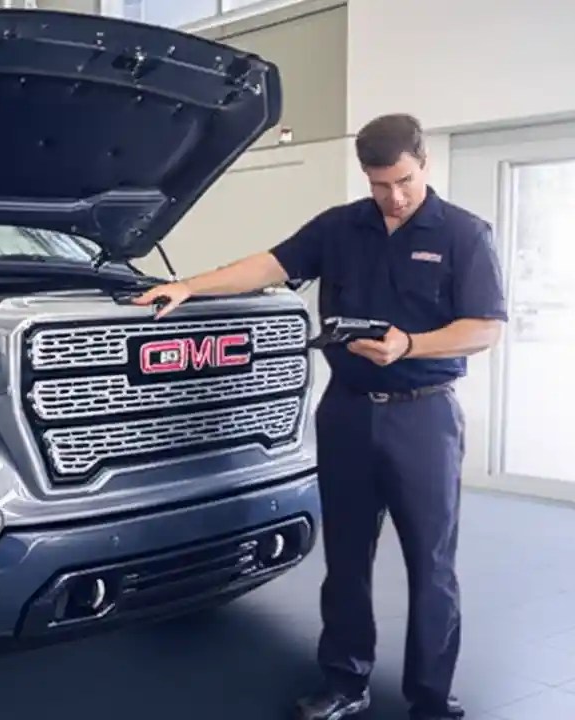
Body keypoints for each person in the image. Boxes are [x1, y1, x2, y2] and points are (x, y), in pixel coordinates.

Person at [133, 113, 507, 720]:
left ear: (424, 163)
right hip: (348, 414)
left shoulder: (465, 233)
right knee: (346, 559)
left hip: (424, 418)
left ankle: (432, 700)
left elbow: (485, 328)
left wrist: (408, 345)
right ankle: (344, 682)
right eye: (380, 184)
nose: (394, 196)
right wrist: (189, 286)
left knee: (431, 566)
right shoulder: (341, 227)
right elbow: (271, 264)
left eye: (405, 181)